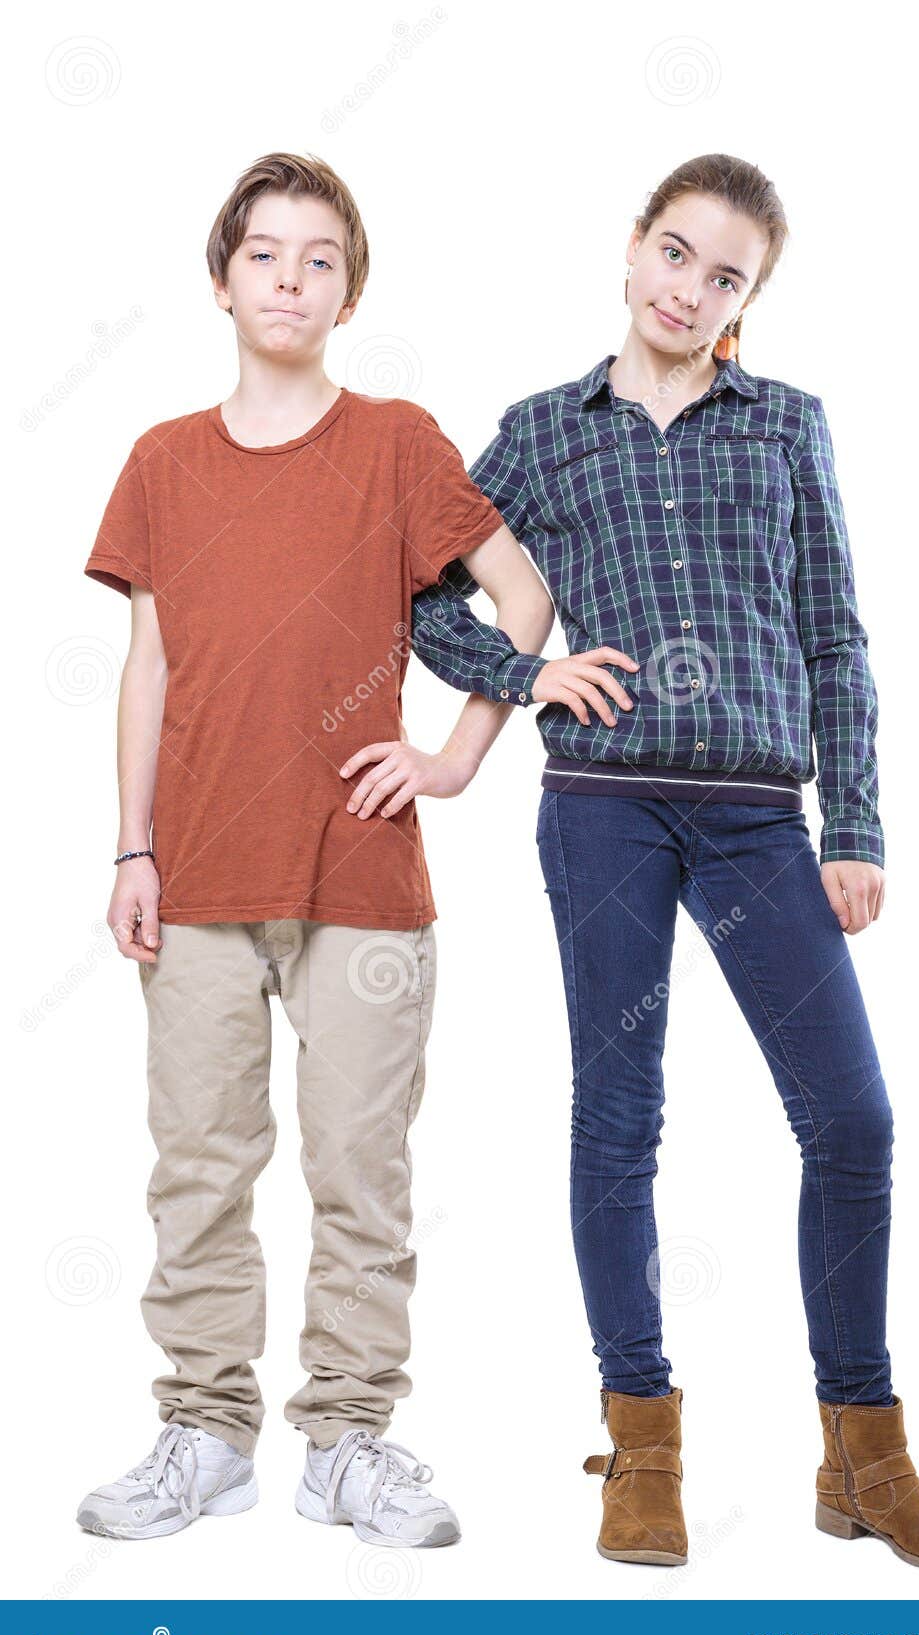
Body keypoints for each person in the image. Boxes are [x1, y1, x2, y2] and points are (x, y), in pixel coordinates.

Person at [364, 153, 919, 1575]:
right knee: (619, 1115)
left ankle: (865, 1453)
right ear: (633, 249)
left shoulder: (787, 427)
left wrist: (855, 829)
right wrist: (528, 673)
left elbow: (836, 634)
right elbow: (413, 587)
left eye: (726, 276)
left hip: (760, 815)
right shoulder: (542, 429)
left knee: (854, 1119)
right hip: (604, 807)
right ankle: (641, 1441)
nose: (690, 288)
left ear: (746, 301)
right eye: (675, 252)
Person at [75, 151, 621, 1546]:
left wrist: (450, 756)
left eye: (321, 258)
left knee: (359, 1166)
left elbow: (524, 595)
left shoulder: (397, 445)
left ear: (349, 289)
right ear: (222, 276)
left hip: (363, 880)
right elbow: (148, 667)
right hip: (195, 872)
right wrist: (131, 851)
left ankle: (350, 1440)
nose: (292, 278)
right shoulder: (162, 461)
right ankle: (204, 1431)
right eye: (266, 253)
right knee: (198, 1161)